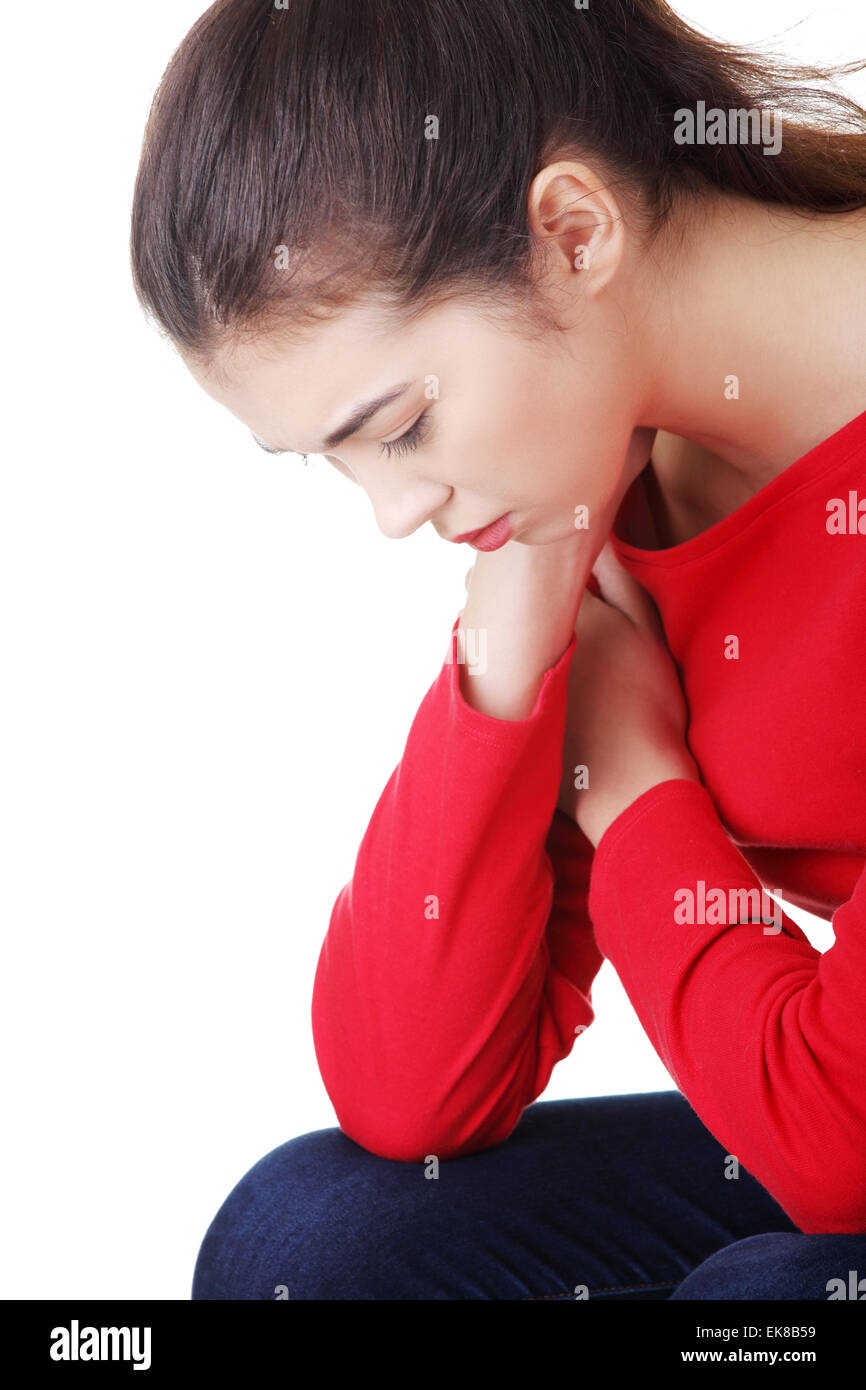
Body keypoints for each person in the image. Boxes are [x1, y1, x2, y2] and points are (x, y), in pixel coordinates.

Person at [130, 0, 866, 1298]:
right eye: (331, 463)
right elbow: (410, 1096)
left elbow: (837, 1154)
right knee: (308, 1243)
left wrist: (635, 783)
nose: (393, 512)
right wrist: (510, 655)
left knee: (776, 1305)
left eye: (401, 423)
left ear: (573, 233)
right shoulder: (611, 459)